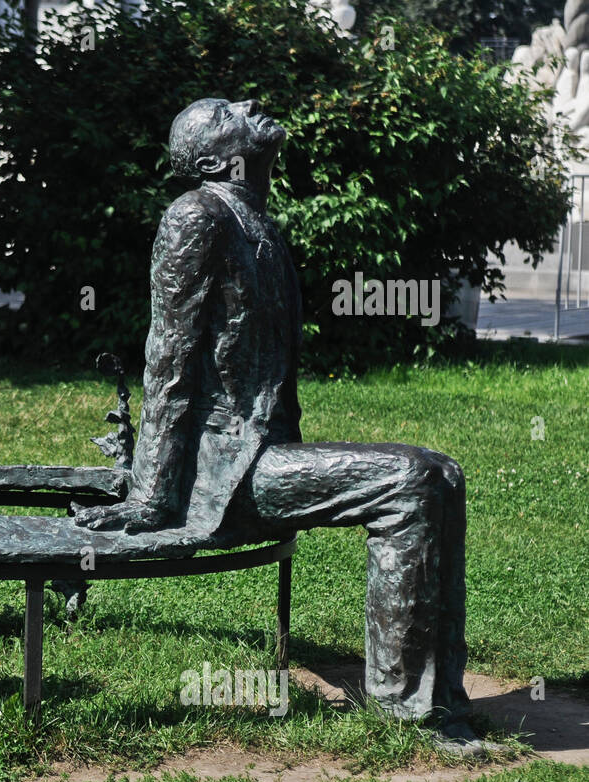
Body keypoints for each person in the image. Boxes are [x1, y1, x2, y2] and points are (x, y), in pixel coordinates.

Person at [72, 99, 470, 731]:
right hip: (225, 469)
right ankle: (407, 713)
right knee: (411, 480)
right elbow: (167, 357)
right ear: (214, 160)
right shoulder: (196, 214)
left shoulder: (257, 223)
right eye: (227, 111)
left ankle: (444, 697)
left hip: (264, 452)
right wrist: (151, 496)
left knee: (443, 474)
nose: (249, 104)